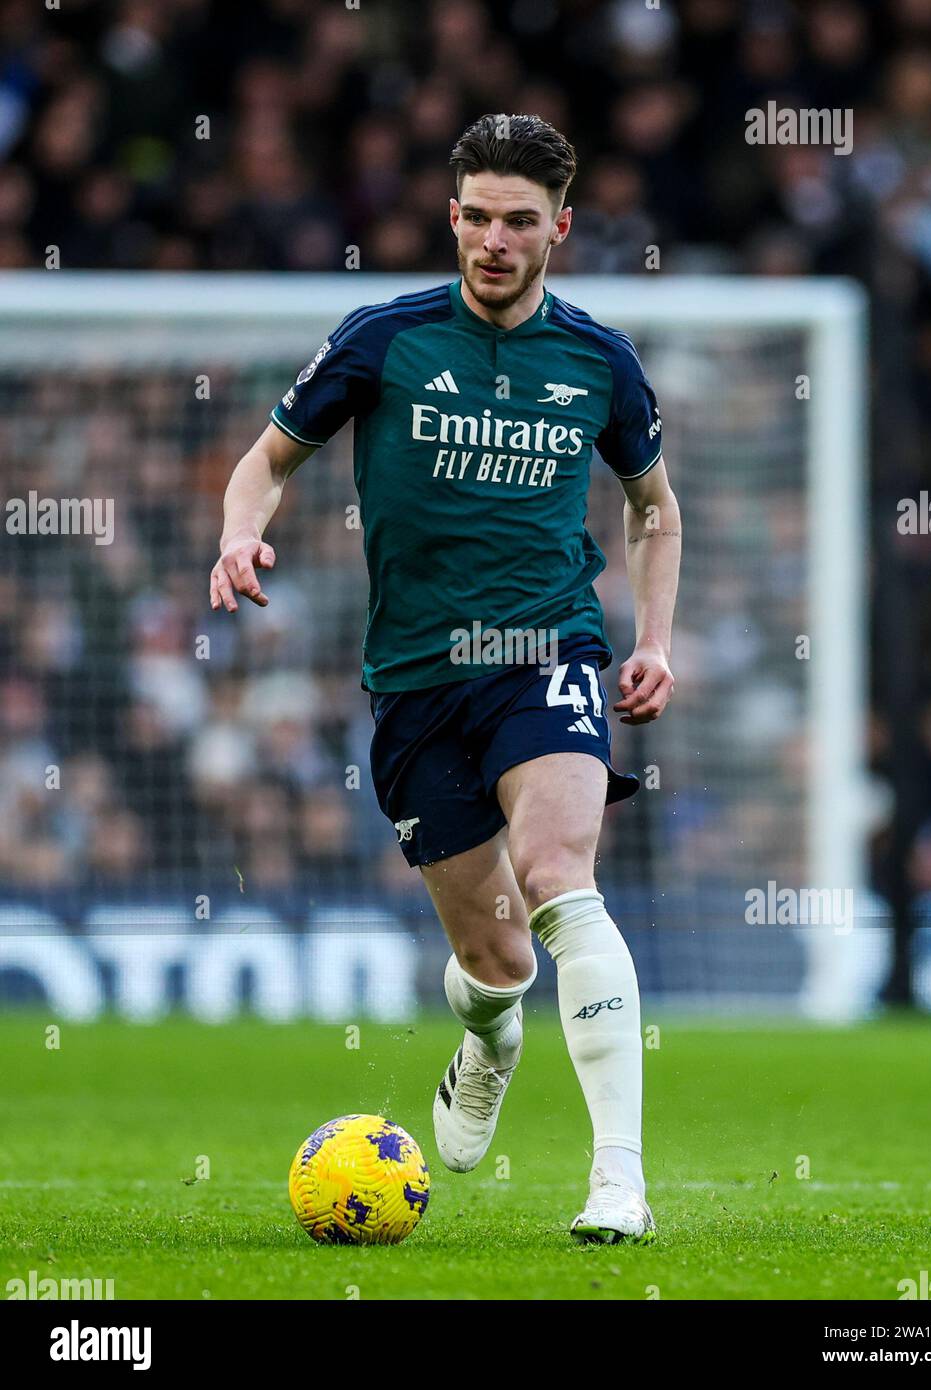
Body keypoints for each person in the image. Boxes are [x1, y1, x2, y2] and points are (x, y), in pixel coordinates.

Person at [210, 113, 680, 1243]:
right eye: (476, 216)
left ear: (559, 228)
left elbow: (653, 508)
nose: (494, 240)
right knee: (493, 956)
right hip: (416, 678)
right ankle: (487, 1036)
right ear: (452, 215)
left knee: (561, 876)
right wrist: (238, 535)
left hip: (546, 651)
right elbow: (265, 461)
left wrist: (652, 637)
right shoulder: (383, 337)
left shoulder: (601, 362)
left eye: (520, 221)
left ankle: (618, 1177)